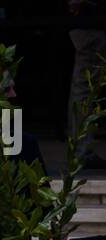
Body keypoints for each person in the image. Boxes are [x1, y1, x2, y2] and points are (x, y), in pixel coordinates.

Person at [67, 0, 106, 171]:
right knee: (85, 90)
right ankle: (81, 152)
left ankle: (81, 151)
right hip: (89, 26)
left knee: (86, 90)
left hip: (92, 24)